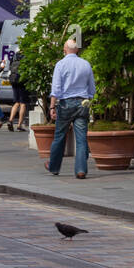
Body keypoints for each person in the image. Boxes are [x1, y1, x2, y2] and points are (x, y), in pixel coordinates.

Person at [45, 39, 96, 179]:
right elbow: (92, 88)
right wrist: (88, 98)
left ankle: (54, 167)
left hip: (66, 104)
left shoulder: (60, 64)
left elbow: (55, 89)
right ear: (77, 50)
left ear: (64, 49)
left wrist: (52, 106)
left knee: (60, 136)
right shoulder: (86, 64)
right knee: (81, 139)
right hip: (82, 103)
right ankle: (80, 170)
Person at [6, 51, 29, 132]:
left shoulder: (15, 56)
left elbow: (9, 67)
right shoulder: (26, 56)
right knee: (23, 103)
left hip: (14, 80)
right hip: (22, 81)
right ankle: (19, 125)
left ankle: (10, 120)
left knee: (16, 102)